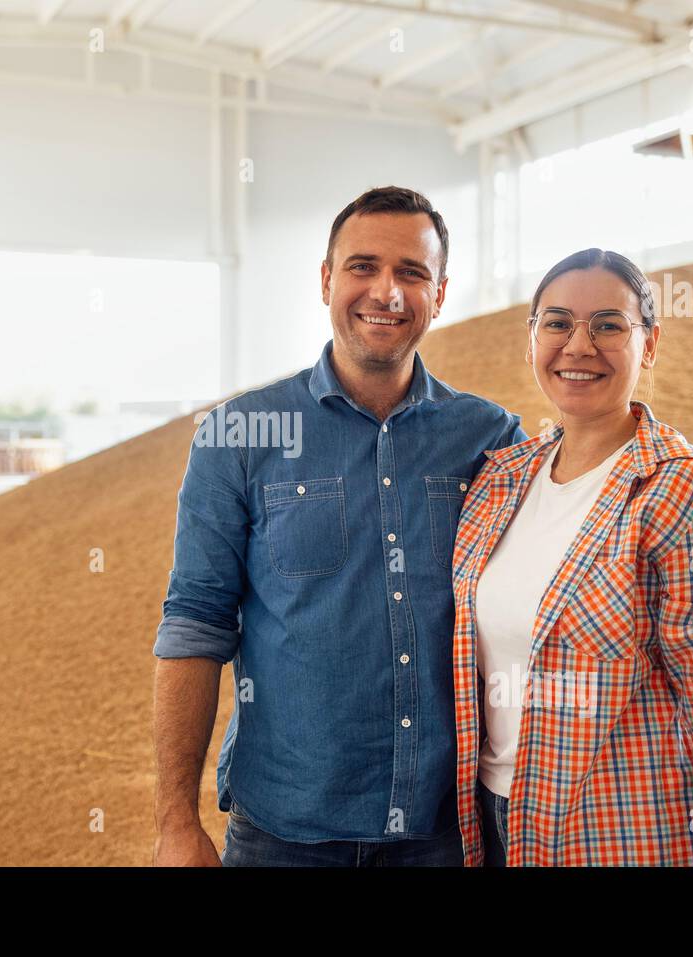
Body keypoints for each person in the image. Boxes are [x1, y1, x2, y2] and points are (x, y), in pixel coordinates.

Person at [151, 185, 526, 866]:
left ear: (440, 293)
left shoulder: (493, 437)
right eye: (363, 266)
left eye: (412, 272)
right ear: (326, 280)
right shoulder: (239, 433)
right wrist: (177, 821)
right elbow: (194, 623)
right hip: (282, 834)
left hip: (442, 832)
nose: (386, 291)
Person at [451, 248, 693, 866]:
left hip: (623, 838)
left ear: (650, 343)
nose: (579, 345)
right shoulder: (501, 478)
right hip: (493, 828)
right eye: (557, 323)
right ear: (532, 341)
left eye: (608, 325)